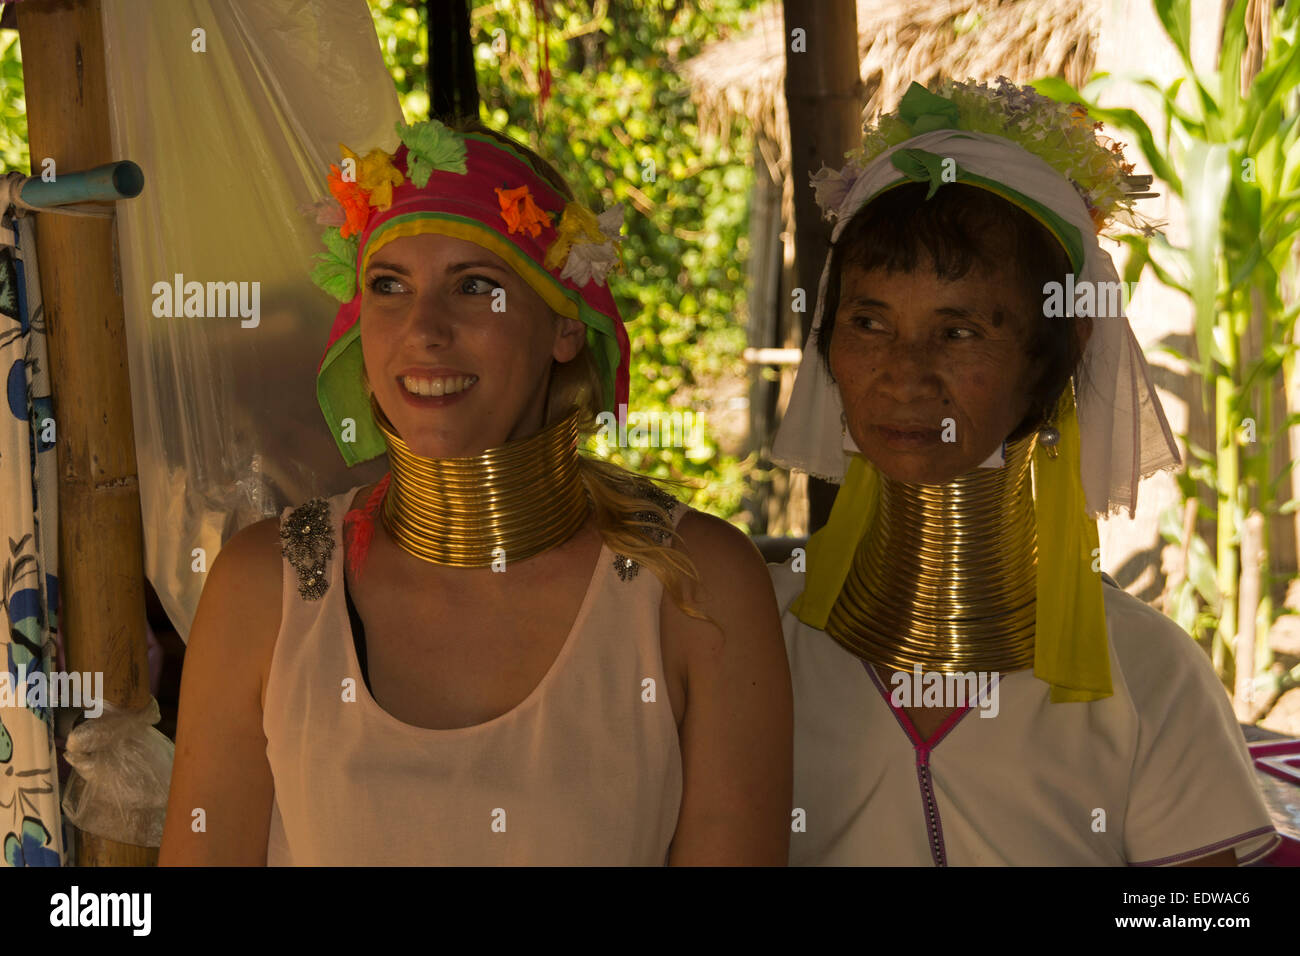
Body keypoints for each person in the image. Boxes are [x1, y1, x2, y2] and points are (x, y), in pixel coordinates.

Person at [159, 117, 792, 865]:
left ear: (563, 325)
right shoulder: (267, 586)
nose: (424, 329)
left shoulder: (695, 586)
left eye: (476, 286)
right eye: (388, 287)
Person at [770, 78, 1280, 866]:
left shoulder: (1146, 674)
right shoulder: (761, 641)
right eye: (869, 321)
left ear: (1060, 351)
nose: (903, 375)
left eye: (961, 330)